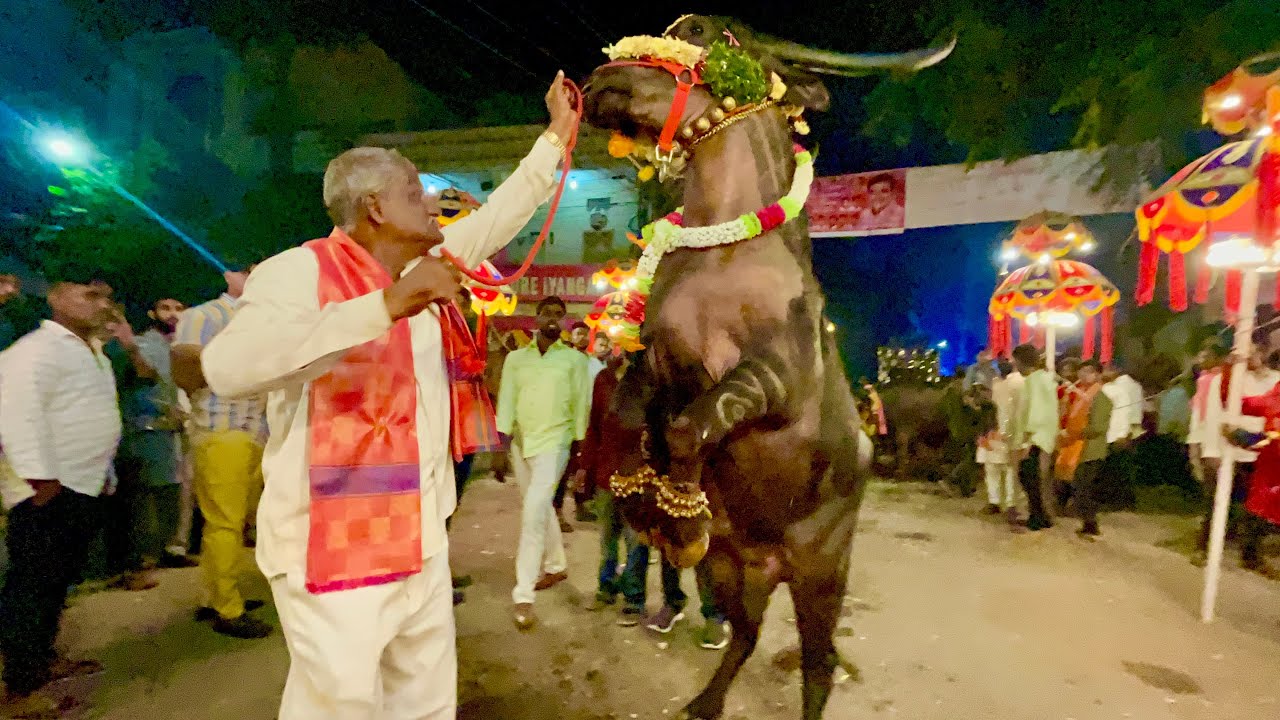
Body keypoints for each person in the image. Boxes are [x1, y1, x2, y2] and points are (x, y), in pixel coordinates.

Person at [200, 71, 575, 718]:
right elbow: (228, 367)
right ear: (374, 207)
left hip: (422, 542)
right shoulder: (301, 271)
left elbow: (501, 213)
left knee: (425, 706)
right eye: (415, 192)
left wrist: (558, 137)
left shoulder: (422, 271)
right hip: (331, 550)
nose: (432, 204)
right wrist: (384, 307)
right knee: (340, 709)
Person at [0, 273, 120, 719]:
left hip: (81, 483)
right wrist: (41, 480)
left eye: (105, 295)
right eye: (89, 294)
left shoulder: (91, 350)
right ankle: (19, 689)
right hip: (47, 491)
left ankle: (42, 659)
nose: (101, 304)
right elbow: (17, 417)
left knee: (54, 586)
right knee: (31, 588)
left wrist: (103, 472)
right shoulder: (33, 352)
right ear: (55, 297)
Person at [172, 268, 272, 639]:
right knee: (225, 523)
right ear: (231, 274)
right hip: (220, 428)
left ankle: (216, 596)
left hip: (253, 430)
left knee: (234, 523)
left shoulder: (264, 319)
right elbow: (184, 372)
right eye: (251, 271)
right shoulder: (205, 315)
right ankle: (227, 610)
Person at [498, 294, 591, 630]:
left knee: (533, 513)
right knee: (539, 507)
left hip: (556, 444)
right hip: (521, 444)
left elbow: (582, 406)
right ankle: (556, 565)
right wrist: (502, 444)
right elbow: (507, 398)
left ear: (564, 321)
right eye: (546, 313)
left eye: (559, 314)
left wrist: (580, 453)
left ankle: (523, 594)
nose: (552, 318)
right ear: (536, 319)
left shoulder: (574, 361)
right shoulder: (515, 360)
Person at [579, 350, 649, 625]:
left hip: (637, 476)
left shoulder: (647, 382)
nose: (619, 348)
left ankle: (634, 599)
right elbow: (594, 425)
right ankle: (605, 588)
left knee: (636, 541)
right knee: (607, 538)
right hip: (605, 472)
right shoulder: (603, 379)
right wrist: (585, 465)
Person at [1221, 381, 1280, 577]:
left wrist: (1245, 438)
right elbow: (1236, 401)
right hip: (1269, 471)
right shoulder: (1274, 398)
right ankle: (1251, 557)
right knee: (1257, 511)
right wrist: (1230, 370)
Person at [1060, 360, 1112, 537]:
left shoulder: (1100, 398)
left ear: (1097, 374)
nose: (1083, 376)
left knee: (1082, 488)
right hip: (1079, 448)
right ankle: (1088, 523)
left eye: (1088, 372)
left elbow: (1098, 427)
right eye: (1081, 372)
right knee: (1079, 487)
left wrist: (1075, 433)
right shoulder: (1083, 396)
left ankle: (1091, 524)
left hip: (1091, 450)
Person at [1013, 344, 1057, 530]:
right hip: (1044, 436)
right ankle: (1040, 515)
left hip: (1036, 438)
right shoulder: (1044, 380)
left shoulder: (1034, 382)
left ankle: (1037, 517)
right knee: (1035, 478)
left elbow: (1036, 414)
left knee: (1030, 478)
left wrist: (1026, 442)